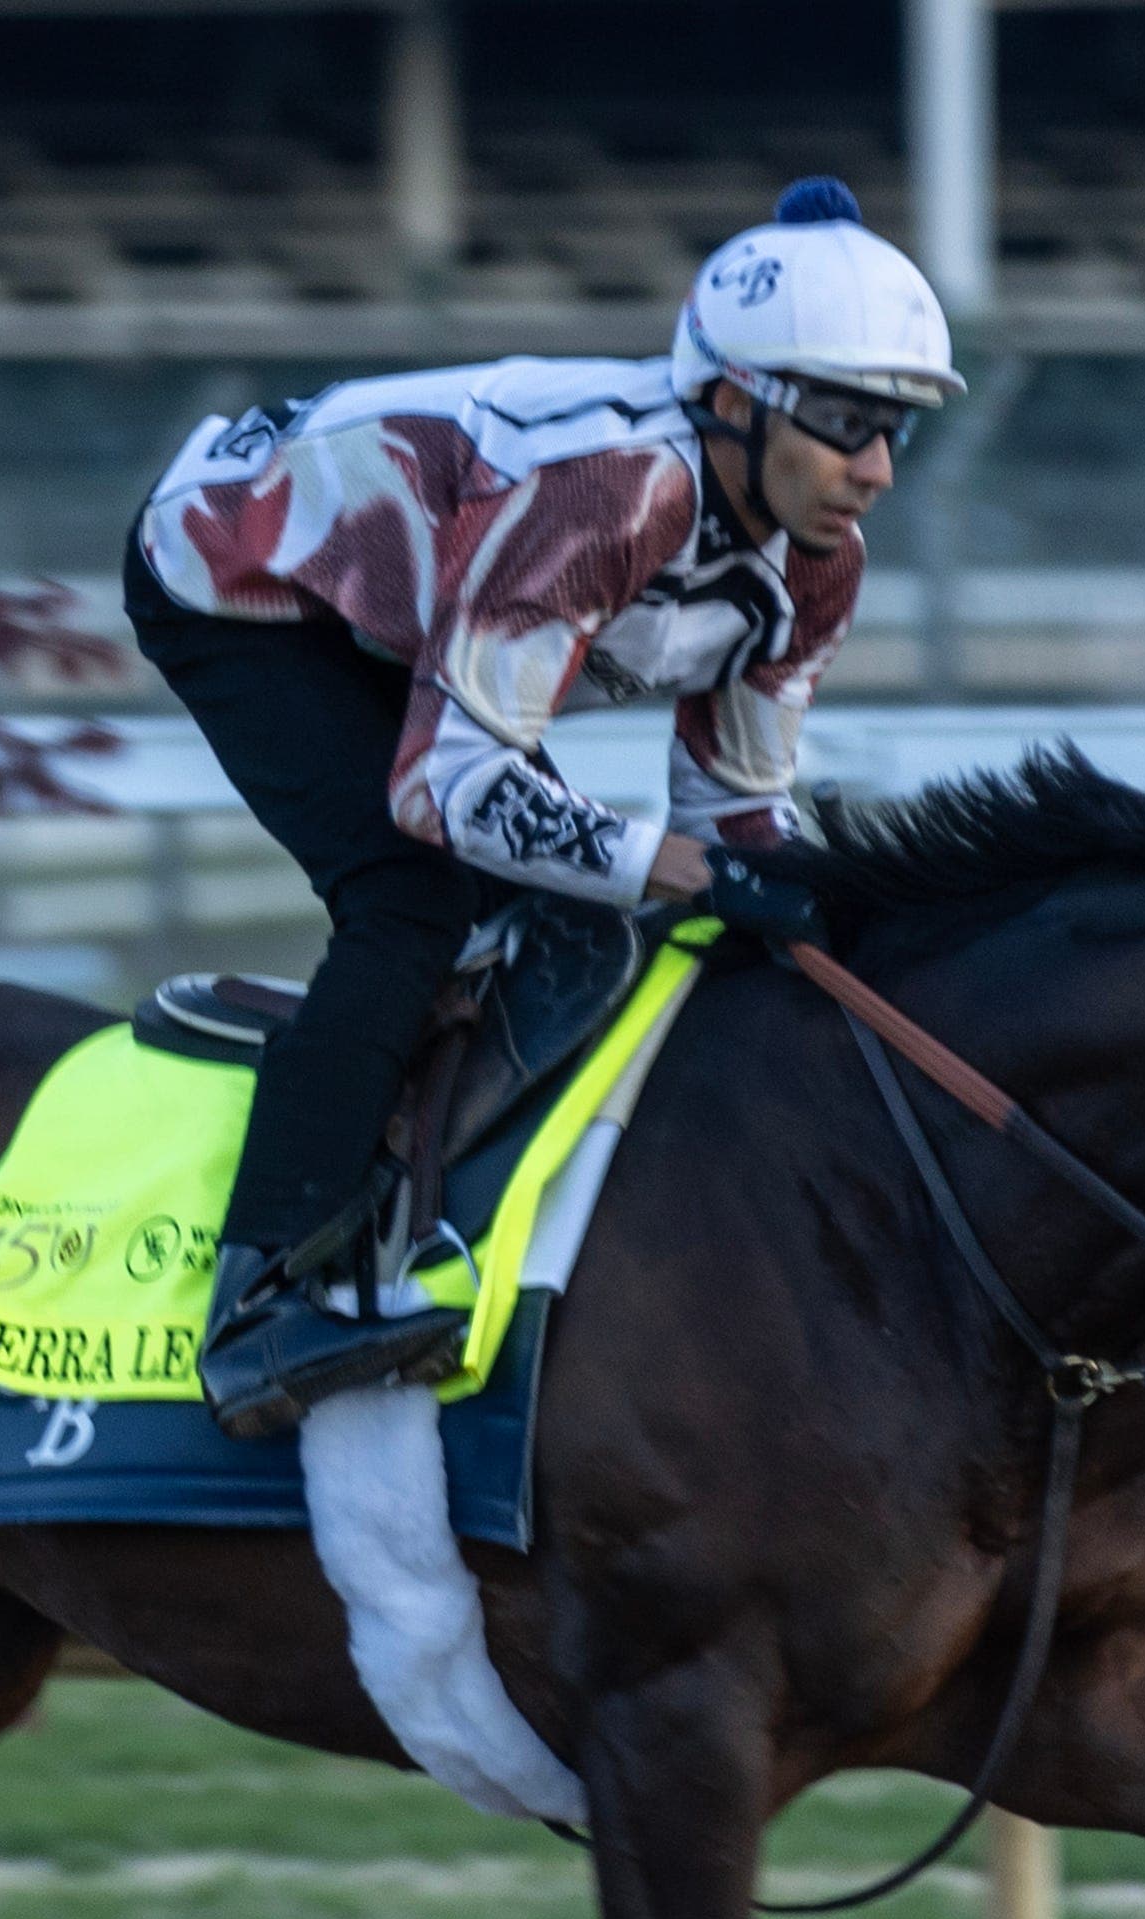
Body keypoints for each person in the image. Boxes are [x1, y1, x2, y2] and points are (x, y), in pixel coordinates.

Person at [125, 176, 962, 1438]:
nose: (877, 470)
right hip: (241, 586)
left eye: (898, 429)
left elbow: (737, 812)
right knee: (410, 899)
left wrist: (817, 907)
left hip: (407, 609)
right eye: (848, 423)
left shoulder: (820, 565)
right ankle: (261, 1298)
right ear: (734, 402)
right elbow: (443, 787)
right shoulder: (607, 493)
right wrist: (678, 870)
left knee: (599, 913)